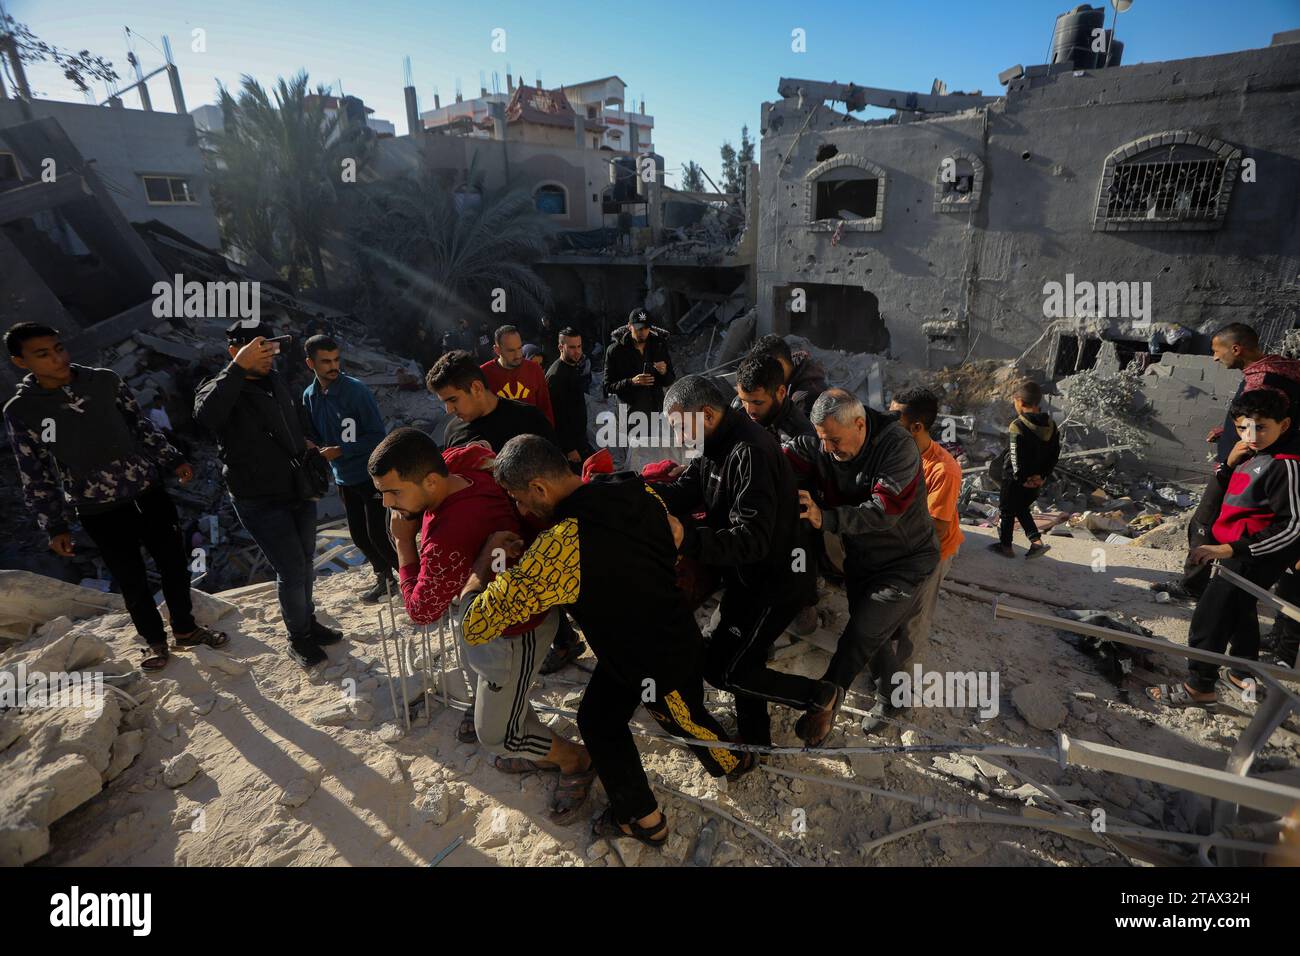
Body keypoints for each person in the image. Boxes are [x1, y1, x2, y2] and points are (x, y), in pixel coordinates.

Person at [458, 435, 746, 849]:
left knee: (688, 721)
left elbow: (477, 624)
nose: (521, 509)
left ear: (539, 488)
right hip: (641, 642)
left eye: (519, 498)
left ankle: (735, 762)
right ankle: (642, 818)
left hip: (656, 659)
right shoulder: (633, 486)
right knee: (597, 718)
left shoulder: (559, 549)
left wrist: (482, 566)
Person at [368, 428, 597, 819]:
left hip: (512, 631)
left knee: (496, 735)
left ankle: (576, 761)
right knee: (506, 703)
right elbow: (478, 449)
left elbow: (422, 610)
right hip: (501, 619)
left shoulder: (447, 537)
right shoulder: (464, 468)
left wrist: (405, 542)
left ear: (430, 481)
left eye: (394, 493)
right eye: (383, 493)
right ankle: (530, 741)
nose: (388, 504)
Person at [4, 322, 225, 671]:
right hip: (97, 507)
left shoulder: (103, 381)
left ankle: (185, 629)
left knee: (173, 565)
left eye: (59, 347)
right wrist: (55, 526)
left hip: (147, 490)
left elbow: (140, 425)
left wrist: (173, 459)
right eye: (42, 354)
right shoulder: (22, 410)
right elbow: (34, 471)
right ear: (21, 362)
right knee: (130, 577)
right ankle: (153, 642)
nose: (58, 358)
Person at [659, 375, 838, 749]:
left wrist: (687, 538)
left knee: (725, 669)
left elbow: (752, 540)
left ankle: (817, 697)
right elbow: (687, 489)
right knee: (738, 658)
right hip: (745, 575)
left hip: (774, 581)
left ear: (706, 413)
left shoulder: (749, 452)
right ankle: (756, 739)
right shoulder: (715, 441)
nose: (678, 439)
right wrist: (634, 494)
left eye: (679, 427)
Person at [784, 389, 940, 742]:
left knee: (861, 634)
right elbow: (782, 457)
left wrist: (824, 517)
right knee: (873, 631)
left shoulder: (897, 447)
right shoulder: (823, 440)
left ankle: (823, 706)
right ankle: (893, 696)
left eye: (834, 440)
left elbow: (883, 512)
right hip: (862, 557)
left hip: (906, 560)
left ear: (859, 424)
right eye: (823, 440)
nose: (828, 449)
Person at [194, 323, 343, 668]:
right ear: (236, 351)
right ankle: (298, 638)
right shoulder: (218, 387)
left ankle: (309, 623)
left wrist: (305, 445)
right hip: (258, 498)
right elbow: (206, 417)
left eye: (271, 349)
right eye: (260, 350)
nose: (268, 357)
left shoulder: (274, 380)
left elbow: (292, 421)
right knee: (290, 568)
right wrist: (237, 368)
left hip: (297, 488)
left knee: (305, 561)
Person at [1147, 389, 1300, 707]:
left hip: (1252, 555)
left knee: (1210, 617)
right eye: (1244, 427)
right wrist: (1228, 465)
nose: (1251, 435)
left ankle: (1199, 687)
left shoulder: (1286, 465)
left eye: (1261, 427)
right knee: (1239, 611)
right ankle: (1241, 673)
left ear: (1283, 425)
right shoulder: (1252, 454)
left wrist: (1233, 549)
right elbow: (1236, 496)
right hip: (1234, 549)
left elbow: (1291, 525)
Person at [1165, 324, 1300, 599]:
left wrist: (1234, 458)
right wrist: (1226, 431)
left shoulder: (1262, 379)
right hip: (1258, 467)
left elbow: (1258, 424)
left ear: (1236, 349)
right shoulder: (1279, 370)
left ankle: (1196, 586)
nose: (1215, 358)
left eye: (1217, 351)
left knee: (1205, 523)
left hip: (1246, 468)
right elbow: (1258, 419)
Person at [302, 334, 397, 604]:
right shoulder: (310, 396)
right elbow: (316, 433)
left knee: (380, 535)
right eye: (326, 361)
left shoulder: (356, 391)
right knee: (360, 537)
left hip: (371, 476)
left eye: (336, 360)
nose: (333, 366)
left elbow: (377, 435)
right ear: (310, 363)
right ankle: (385, 579)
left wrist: (342, 450)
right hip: (343, 478)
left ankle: (413, 580)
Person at [890, 387, 964, 666]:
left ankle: (900, 684)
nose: (888, 422)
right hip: (900, 546)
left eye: (894, 418)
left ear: (916, 427)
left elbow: (938, 530)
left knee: (914, 621)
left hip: (931, 551)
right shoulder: (897, 452)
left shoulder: (943, 470)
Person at [430, 350, 558, 453]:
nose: (449, 410)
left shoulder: (530, 420)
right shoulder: (452, 430)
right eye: (444, 402)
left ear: (476, 388)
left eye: (453, 400)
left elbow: (557, 477)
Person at [988, 381, 1059, 559]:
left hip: (1015, 479)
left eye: (1015, 401)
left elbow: (1015, 457)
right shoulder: (1051, 425)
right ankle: (1036, 543)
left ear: (1019, 401)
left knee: (1006, 510)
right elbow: (1054, 454)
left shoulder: (1018, 426)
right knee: (1021, 509)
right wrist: (1041, 476)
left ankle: (1006, 547)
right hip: (1037, 479)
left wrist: (1021, 479)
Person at [603, 308, 676, 472]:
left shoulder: (658, 345)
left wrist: (664, 372)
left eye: (645, 328)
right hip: (631, 414)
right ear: (629, 326)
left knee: (659, 459)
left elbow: (670, 379)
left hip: (656, 410)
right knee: (637, 462)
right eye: (638, 328)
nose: (642, 332)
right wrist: (631, 382)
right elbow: (607, 386)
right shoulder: (615, 351)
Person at [479, 325, 555, 426]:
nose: (518, 355)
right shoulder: (484, 373)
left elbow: (545, 406)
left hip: (531, 436)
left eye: (519, 348)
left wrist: (549, 433)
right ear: (497, 350)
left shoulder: (534, 369)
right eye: (511, 350)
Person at [545, 326, 594, 468]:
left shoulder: (573, 366)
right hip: (570, 447)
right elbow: (557, 416)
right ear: (561, 347)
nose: (577, 351)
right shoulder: (556, 376)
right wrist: (569, 448)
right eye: (572, 347)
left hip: (579, 440)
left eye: (579, 346)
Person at [753, 333, 828, 419]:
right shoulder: (789, 373)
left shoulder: (806, 395)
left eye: (769, 369)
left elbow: (799, 429)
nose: (767, 376)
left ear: (780, 363)